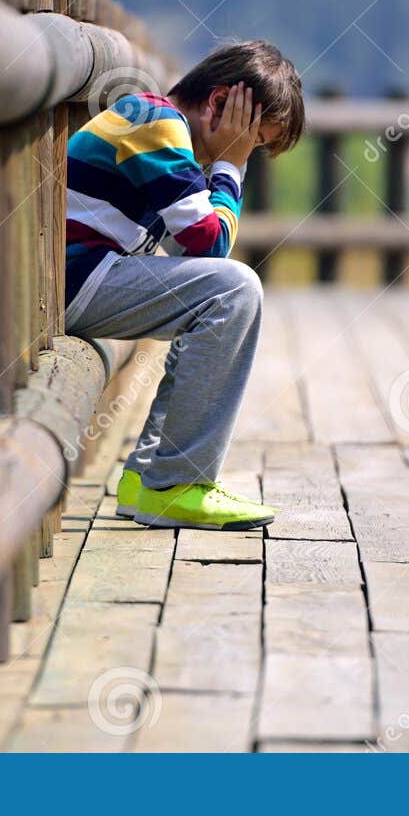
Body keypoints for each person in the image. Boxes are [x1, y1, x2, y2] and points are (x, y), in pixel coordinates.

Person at [63, 40, 305, 530]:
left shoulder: (161, 126)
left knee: (220, 293)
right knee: (233, 289)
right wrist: (231, 165)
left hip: (80, 278)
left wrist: (226, 162)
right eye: (256, 139)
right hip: (75, 280)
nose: (250, 152)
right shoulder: (157, 123)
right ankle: (175, 484)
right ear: (219, 104)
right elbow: (209, 245)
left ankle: (149, 477)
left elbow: (194, 251)